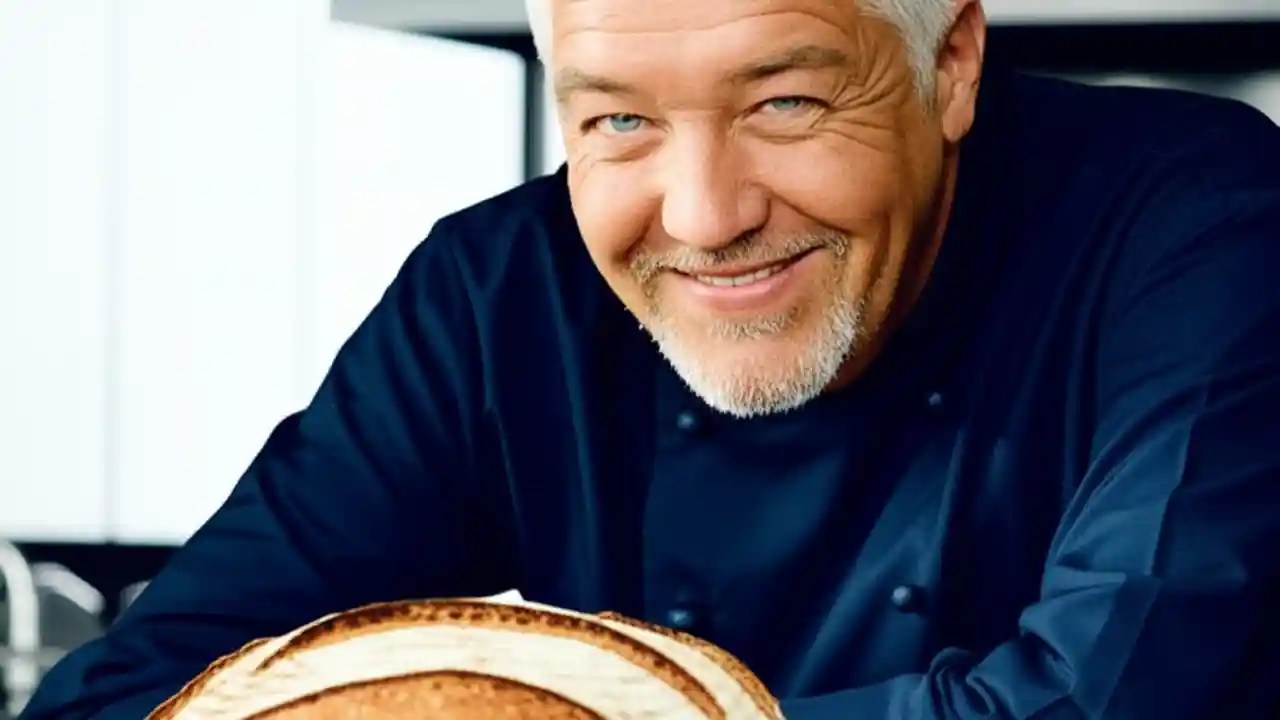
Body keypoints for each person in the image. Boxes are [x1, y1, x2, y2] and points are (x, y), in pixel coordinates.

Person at [20, 0, 1280, 718]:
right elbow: (126, 697)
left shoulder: (1194, 227)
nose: (700, 213)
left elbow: (1111, 706)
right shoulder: (496, 294)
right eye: (617, 120)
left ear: (946, 61)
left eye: (783, 102)